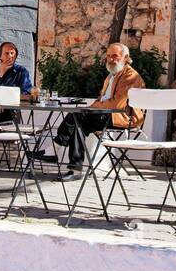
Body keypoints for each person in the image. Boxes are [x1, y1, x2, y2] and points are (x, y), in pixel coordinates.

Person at [54, 42, 145, 176]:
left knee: (77, 116)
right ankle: (74, 169)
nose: (111, 59)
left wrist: (94, 107)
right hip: (106, 114)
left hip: (123, 117)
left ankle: (57, 148)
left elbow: (117, 105)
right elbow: (101, 99)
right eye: (108, 56)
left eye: (115, 56)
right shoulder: (111, 75)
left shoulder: (130, 76)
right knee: (77, 123)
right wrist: (90, 108)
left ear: (126, 57)